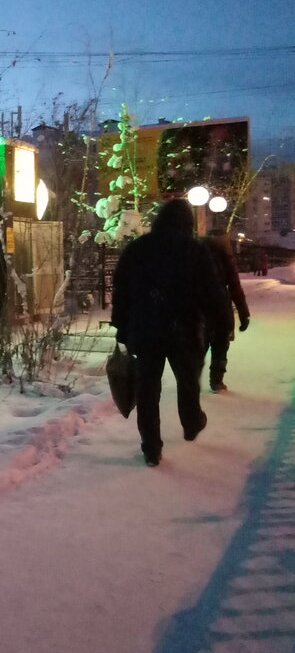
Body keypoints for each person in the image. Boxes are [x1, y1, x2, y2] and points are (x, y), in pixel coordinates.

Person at [110, 198, 227, 467]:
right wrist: (221, 324)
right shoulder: (194, 250)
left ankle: (151, 448)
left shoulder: (138, 248)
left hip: (146, 330)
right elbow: (212, 291)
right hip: (182, 329)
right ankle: (192, 422)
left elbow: (121, 290)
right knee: (188, 380)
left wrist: (122, 327)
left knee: (148, 390)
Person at [203, 229, 250, 392]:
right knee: (220, 347)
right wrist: (244, 314)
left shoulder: (193, 253)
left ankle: (191, 380)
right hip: (220, 308)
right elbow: (235, 287)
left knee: (197, 346)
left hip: (199, 309)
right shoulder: (225, 256)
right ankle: (216, 381)